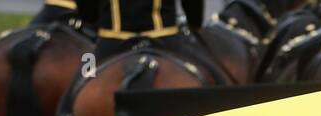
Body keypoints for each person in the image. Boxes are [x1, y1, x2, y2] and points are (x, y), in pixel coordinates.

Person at [74, 0, 227, 81]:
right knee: (213, 78)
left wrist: (91, 19)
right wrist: (195, 23)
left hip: (111, 44)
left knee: (75, 91)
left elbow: (87, 10)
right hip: (167, 41)